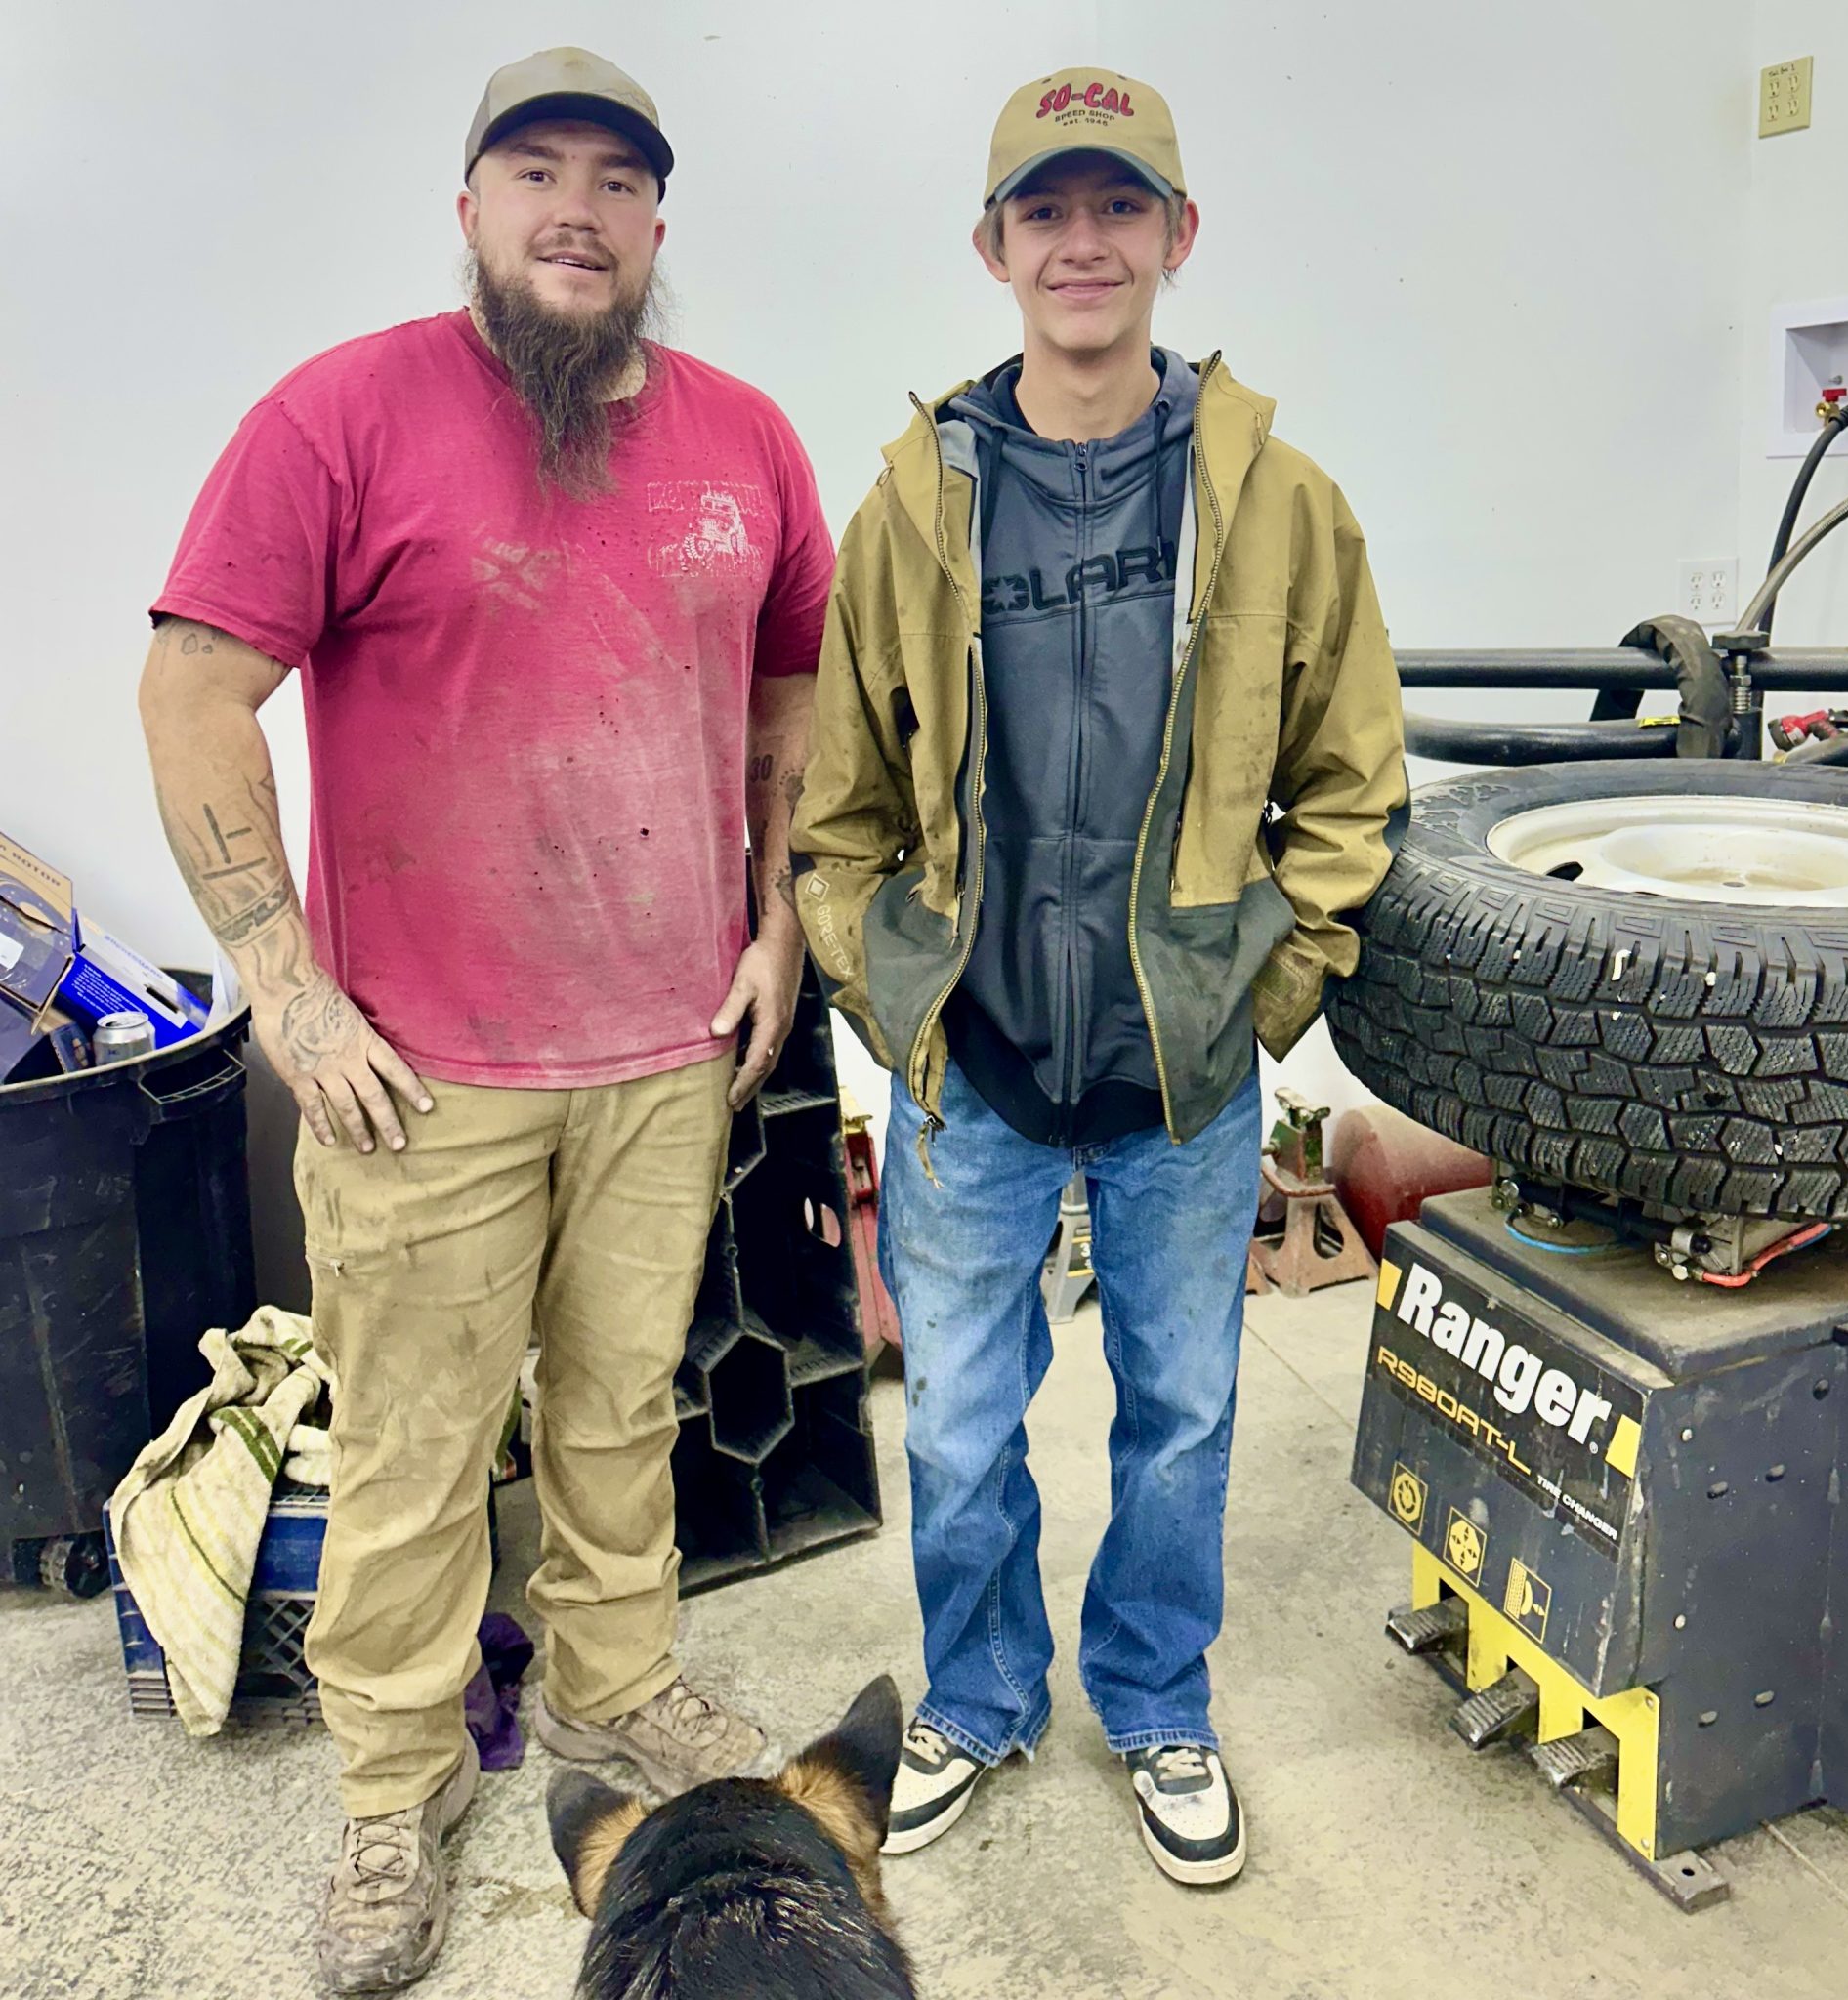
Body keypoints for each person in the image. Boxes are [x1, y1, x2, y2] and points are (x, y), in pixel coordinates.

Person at [138, 47, 832, 1993]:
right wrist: (281, 982)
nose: (574, 209)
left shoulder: (746, 440)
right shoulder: (341, 417)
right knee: (418, 1450)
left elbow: (792, 693)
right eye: (533, 170)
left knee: (620, 1411)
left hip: (661, 1050)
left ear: (656, 223)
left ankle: (618, 1687)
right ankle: (393, 1779)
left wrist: (772, 911)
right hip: (419, 1079)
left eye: (616, 180)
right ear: (469, 208)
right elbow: (195, 691)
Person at [791, 65, 1406, 1887]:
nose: (1083, 243)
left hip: (1185, 1081)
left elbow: (1354, 789)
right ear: (994, 247)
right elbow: (840, 814)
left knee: (1186, 1414)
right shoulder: (911, 506)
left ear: (1177, 236)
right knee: (964, 1425)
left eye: (1118, 207)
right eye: (1045, 212)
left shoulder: (1282, 506)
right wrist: (901, 1003)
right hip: (972, 1072)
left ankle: (1155, 1697)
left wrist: (1258, 999)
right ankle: (975, 1695)